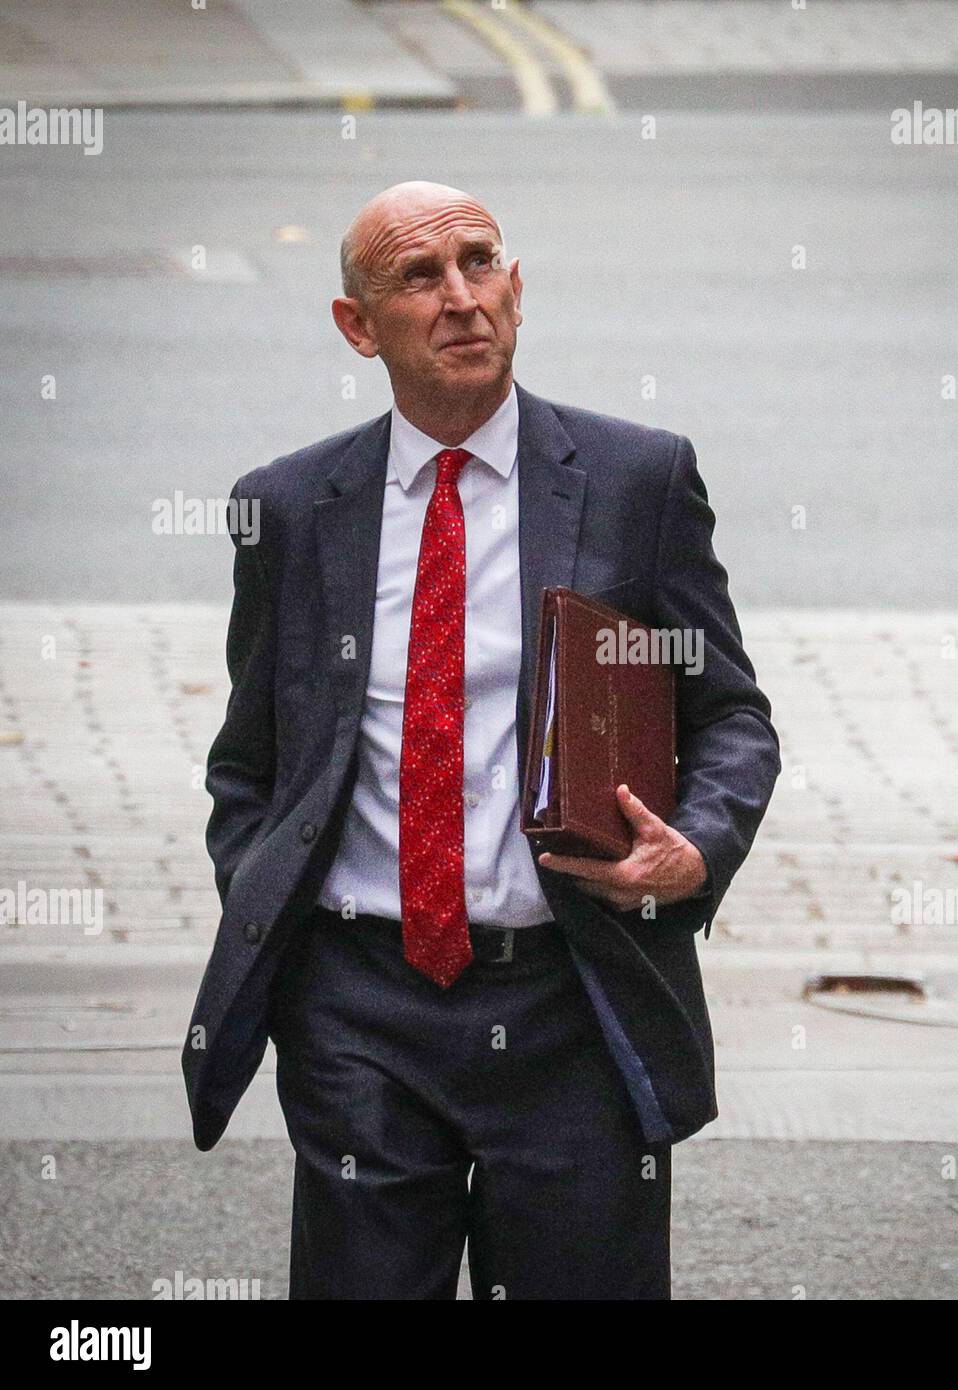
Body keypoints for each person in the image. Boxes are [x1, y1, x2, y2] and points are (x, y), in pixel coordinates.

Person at [181, 180, 781, 1300]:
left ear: (517, 288)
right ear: (358, 327)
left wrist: (695, 849)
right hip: (361, 1007)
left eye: (479, 261)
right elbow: (249, 762)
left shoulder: (633, 479)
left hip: (569, 999)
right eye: (419, 276)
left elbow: (730, 715)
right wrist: (280, 926)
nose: (461, 298)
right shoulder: (293, 506)